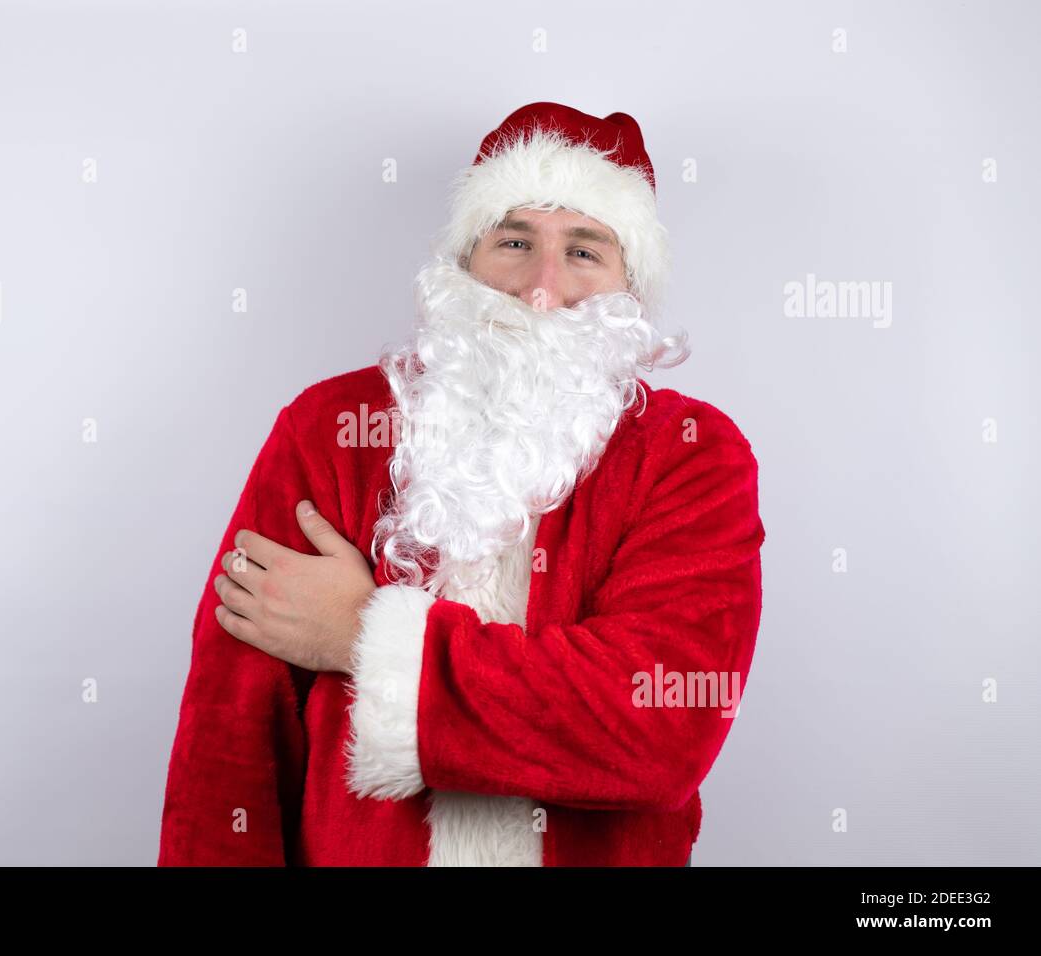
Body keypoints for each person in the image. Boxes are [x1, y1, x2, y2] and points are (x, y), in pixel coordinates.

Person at [157, 102, 765, 866]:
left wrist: (360, 634)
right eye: (514, 241)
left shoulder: (690, 454)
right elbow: (230, 738)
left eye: (584, 251)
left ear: (629, 289)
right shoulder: (329, 429)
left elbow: (657, 730)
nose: (541, 289)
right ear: (464, 262)